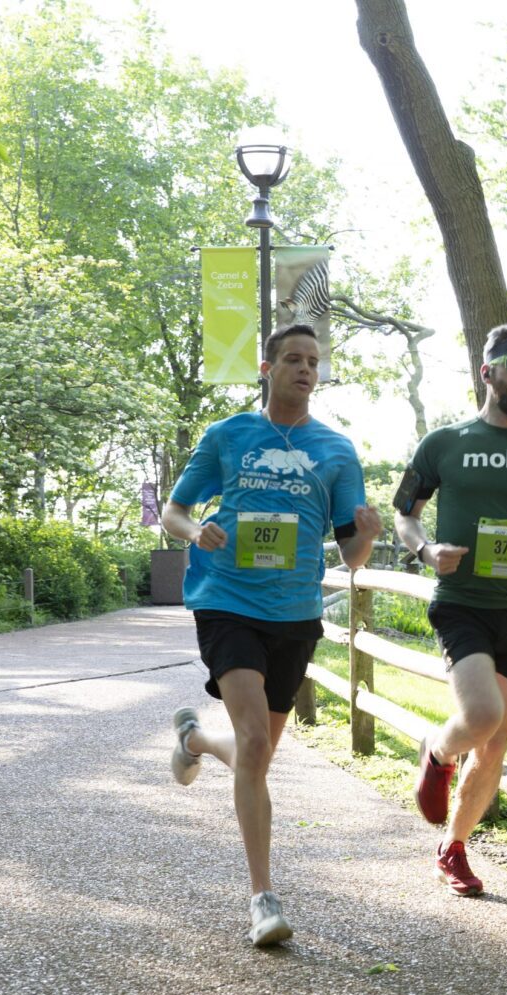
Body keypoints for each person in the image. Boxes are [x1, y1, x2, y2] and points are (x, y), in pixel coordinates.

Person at [162, 323, 381, 945]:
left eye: (314, 361)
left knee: (256, 753)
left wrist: (365, 531)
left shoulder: (337, 450)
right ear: (267, 366)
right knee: (256, 744)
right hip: (227, 600)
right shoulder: (228, 435)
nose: (305, 369)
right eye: (293, 359)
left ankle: (197, 738)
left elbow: (353, 555)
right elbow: (178, 508)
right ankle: (263, 898)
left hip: (294, 612)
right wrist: (192, 530)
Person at [393, 323, 507, 896]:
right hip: (463, 604)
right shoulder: (445, 444)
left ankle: (453, 848)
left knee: (495, 744)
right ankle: (437, 749)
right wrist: (426, 550)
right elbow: (405, 512)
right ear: (488, 372)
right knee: (481, 719)